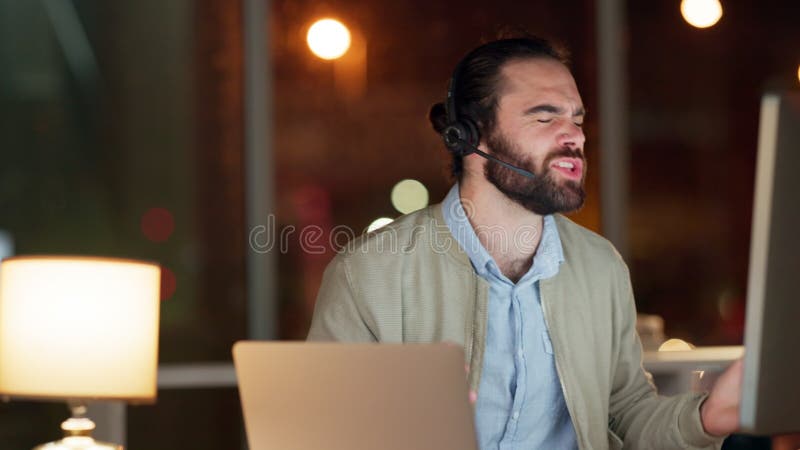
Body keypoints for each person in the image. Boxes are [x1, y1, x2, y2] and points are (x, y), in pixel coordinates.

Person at [307, 35, 742, 449]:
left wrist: (706, 419)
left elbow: (624, 415)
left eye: (577, 118)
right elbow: (323, 431)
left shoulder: (600, 267)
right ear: (470, 137)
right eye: (545, 116)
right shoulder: (369, 273)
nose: (575, 136)